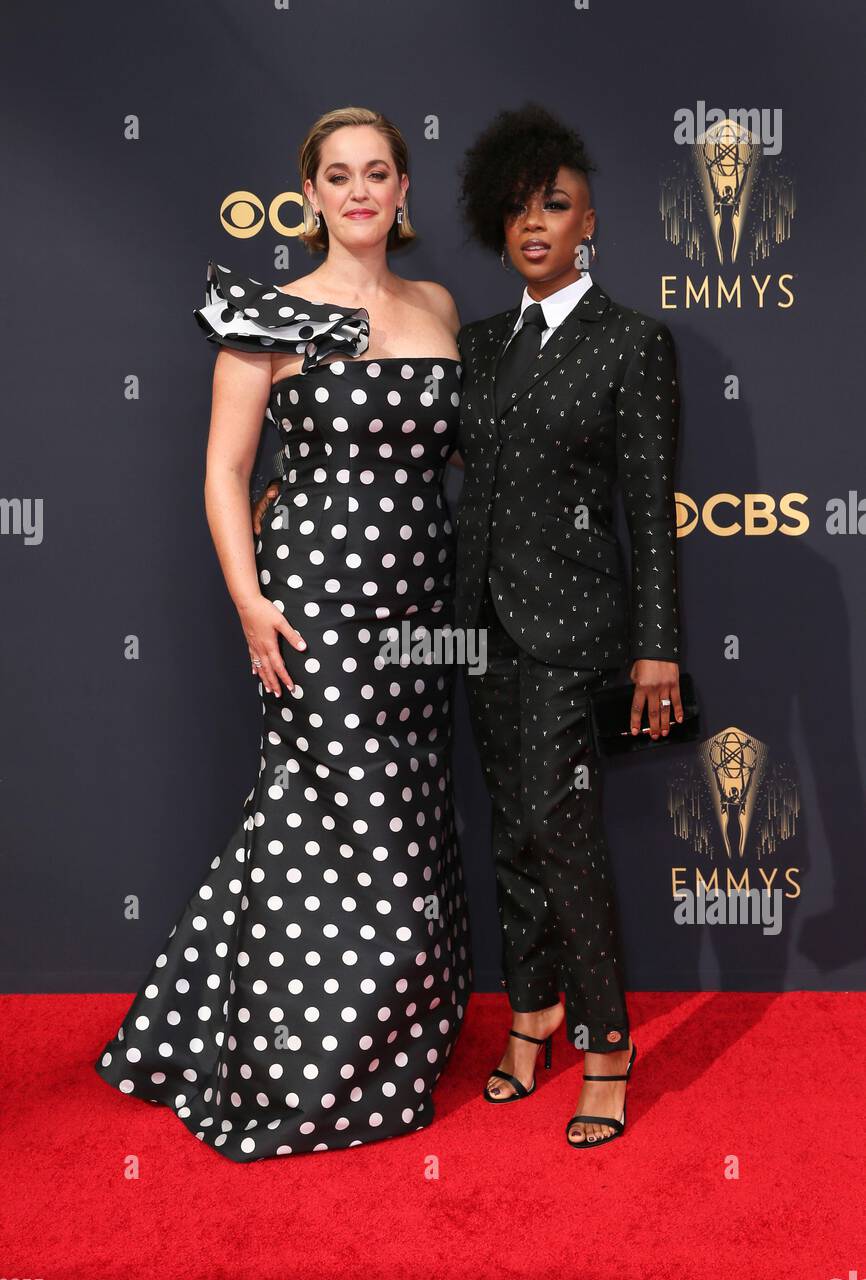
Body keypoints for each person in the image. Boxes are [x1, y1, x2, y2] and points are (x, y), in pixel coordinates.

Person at [94, 106, 472, 1162]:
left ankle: (371, 1024)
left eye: (377, 172)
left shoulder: (437, 303)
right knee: (336, 821)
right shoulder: (268, 311)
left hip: (420, 598)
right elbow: (224, 471)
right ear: (309, 195)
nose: (357, 191)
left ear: (402, 191)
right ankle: (309, 1062)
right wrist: (250, 601)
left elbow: (443, 457)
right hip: (312, 603)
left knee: (406, 807)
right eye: (337, 175)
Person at [454, 104, 683, 1147]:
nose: (533, 225)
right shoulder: (478, 343)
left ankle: (605, 1045)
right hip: (479, 628)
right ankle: (530, 1013)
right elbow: (430, 467)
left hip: (571, 629)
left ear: (587, 221)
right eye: (515, 210)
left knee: (562, 831)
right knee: (509, 831)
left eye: (553, 205)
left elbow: (650, 507)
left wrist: (657, 645)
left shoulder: (630, 342)